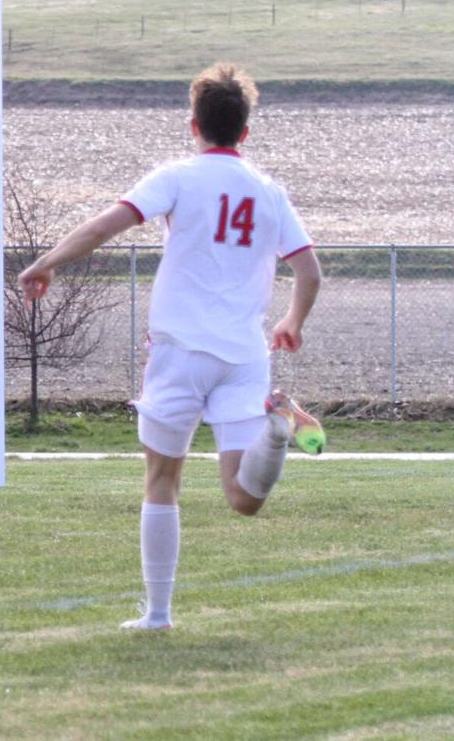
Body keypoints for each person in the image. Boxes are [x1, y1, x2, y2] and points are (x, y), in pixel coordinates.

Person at [18, 62, 322, 631]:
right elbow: (310, 271)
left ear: (194, 125)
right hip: (244, 356)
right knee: (242, 498)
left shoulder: (178, 176)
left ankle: (158, 614)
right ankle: (276, 432)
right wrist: (292, 321)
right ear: (245, 133)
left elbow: (105, 226)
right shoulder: (270, 191)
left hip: (180, 350)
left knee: (162, 480)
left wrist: (45, 263)